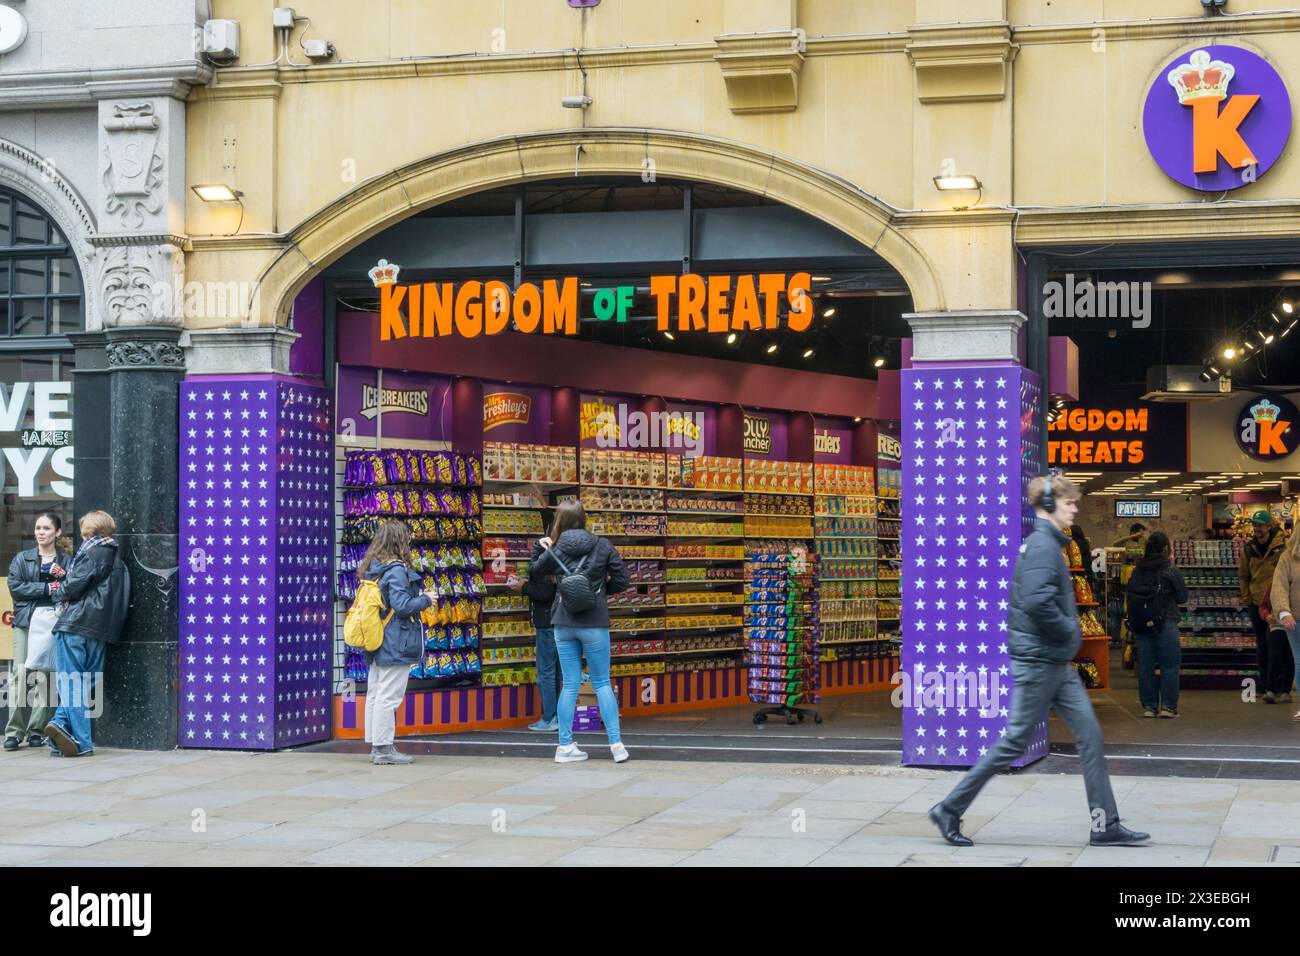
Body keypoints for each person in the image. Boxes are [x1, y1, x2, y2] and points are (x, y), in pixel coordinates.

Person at [929, 475, 1149, 847]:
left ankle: (1104, 823)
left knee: (1090, 736)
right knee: (1015, 741)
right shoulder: (1044, 547)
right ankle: (950, 808)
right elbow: (1036, 602)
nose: (1075, 508)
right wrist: (1070, 631)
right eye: (1069, 503)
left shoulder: (1048, 544)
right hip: (1039, 660)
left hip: (1054, 661)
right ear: (1048, 506)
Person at [531, 501, 630, 764]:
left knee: (570, 684)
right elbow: (622, 580)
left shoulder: (556, 548)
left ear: (559, 521)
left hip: (563, 622)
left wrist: (538, 548)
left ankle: (564, 746)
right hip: (595, 621)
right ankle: (616, 745)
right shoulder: (603, 545)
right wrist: (596, 594)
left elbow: (535, 571)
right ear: (584, 518)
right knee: (601, 683)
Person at [43, 511, 129, 758]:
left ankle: (81, 742)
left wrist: (56, 593)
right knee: (86, 682)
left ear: (87, 530)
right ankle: (59, 729)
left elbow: (72, 586)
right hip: (100, 629)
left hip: (75, 625)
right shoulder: (116, 556)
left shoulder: (90, 552)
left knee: (71, 683)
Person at [358, 521, 437, 765]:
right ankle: (383, 749)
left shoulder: (374, 568)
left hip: (377, 638)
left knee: (376, 692)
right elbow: (402, 606)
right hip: (396, 641)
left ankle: (375, 743)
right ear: (400, 542)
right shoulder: (396, 571)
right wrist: (426, 599)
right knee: (388, 696)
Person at [4, 513, 71, 750]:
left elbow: (73, 587)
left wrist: (62, 579)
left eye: (46, 528)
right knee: (21, 675)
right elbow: (16, 587)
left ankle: (36, 730)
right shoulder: (23, 559)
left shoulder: (65, 561)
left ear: (58, 533)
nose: (41, 532)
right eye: (38, 528)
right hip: (26, 622)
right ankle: (13, 731)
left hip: (53, 622)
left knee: (46, 677)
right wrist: (48, 587)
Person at [1125, 531, 1187, 718]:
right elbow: (1183, 597)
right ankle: (1168, 707)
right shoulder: (1170, 569)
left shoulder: (1138, 569)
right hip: (1166, 621)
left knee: (1146, 666)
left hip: (1142, 623)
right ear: (1165, 548)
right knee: (1169, 666)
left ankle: (1149, 707)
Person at [515, 538, 561, 733]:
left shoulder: (546, 568)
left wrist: (523, 586)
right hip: (560, 623)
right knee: (558, 672)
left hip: (546, 624)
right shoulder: (560, 563)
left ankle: (550, 717)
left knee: (546, 673)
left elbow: (544, 593)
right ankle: (559, 716)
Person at [1240, 511, 1286, 703]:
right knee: (1262, 646)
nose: (1257, 529)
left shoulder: (1282, 547)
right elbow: (1243, 575)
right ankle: (1266, 685)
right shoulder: (1248, 548)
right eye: (1255, 525)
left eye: (1260, 525)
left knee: (1277, 647)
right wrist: (1247, 598)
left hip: (1277, 603)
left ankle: (1279, 686)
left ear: (1269, 526)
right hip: (1257, 603)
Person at [1270, 529, 1300, 720]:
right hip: (1296, 620)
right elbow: (1279, 586)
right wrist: (1283, 612)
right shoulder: (1287, 558)